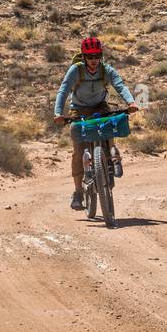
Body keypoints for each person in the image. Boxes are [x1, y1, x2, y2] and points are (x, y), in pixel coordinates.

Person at [52, 37, 139, 210]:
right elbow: (63, 89)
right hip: (79, 109)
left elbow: (119, 85)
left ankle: (112, 157)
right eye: (90, 56)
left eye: (97, 55)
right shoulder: (76, 70)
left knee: (110, 128)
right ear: (84, 57)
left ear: (101, 55)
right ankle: (78, 192)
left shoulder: (106, 70)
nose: (94, 60)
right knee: (78, 150)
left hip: (100, 106)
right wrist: (58, 113)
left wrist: (131, 102)